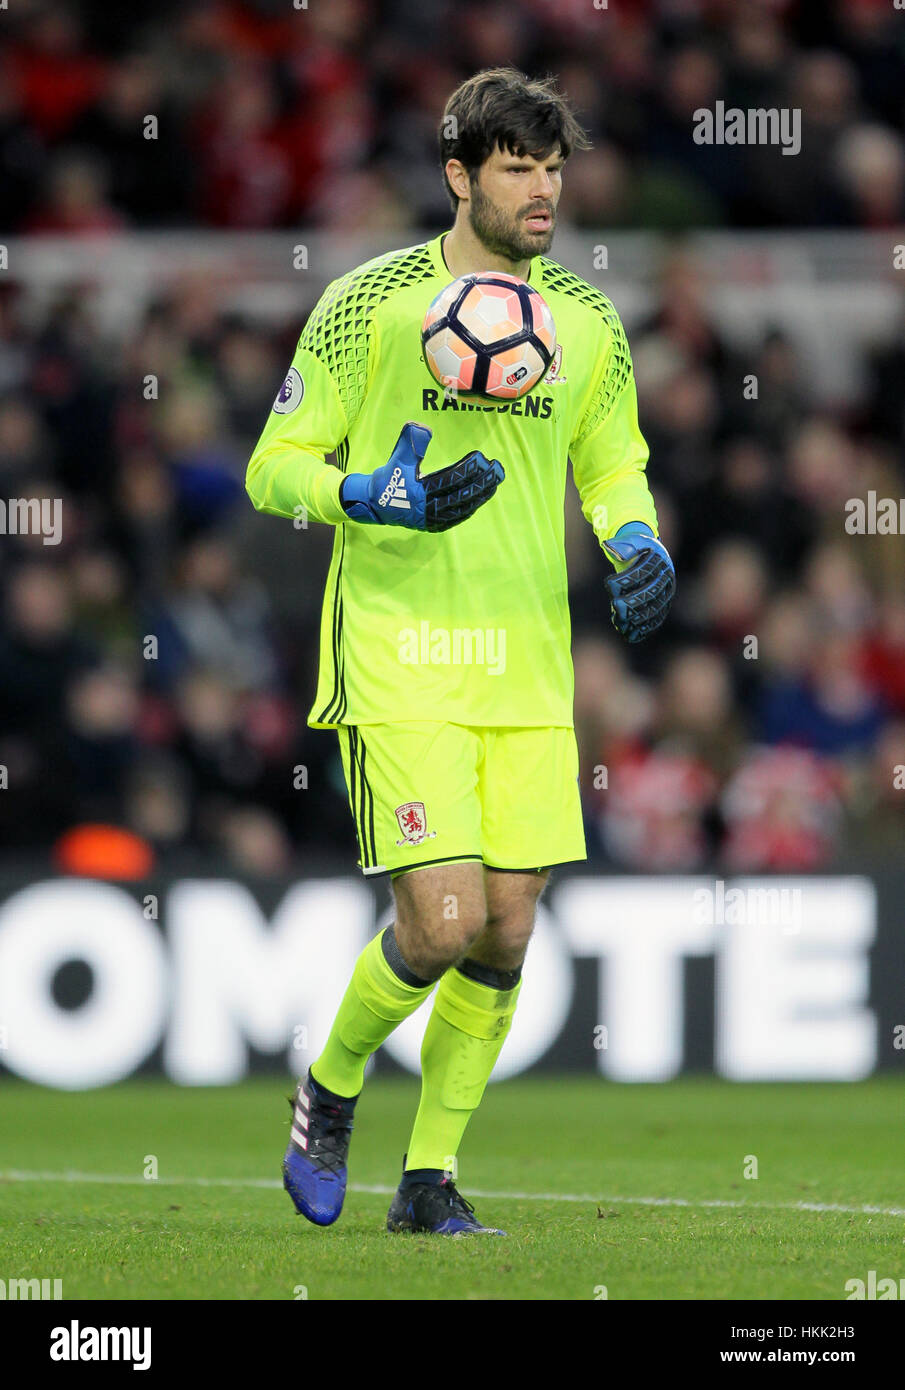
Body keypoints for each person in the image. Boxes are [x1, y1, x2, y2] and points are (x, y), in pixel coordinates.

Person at [245, 66, 675, 1236]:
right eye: (517, 169)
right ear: (457, 175)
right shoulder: (367, 302)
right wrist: (365, 495)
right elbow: (271, 465)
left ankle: (427, 1181)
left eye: (553, 169)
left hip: (525, 660)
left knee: (506, 926)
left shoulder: (584, 322)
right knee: (437, 923)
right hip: (396, 649)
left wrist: (633, 539)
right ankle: (328, 1088)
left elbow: (612, 460)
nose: (542, 193)